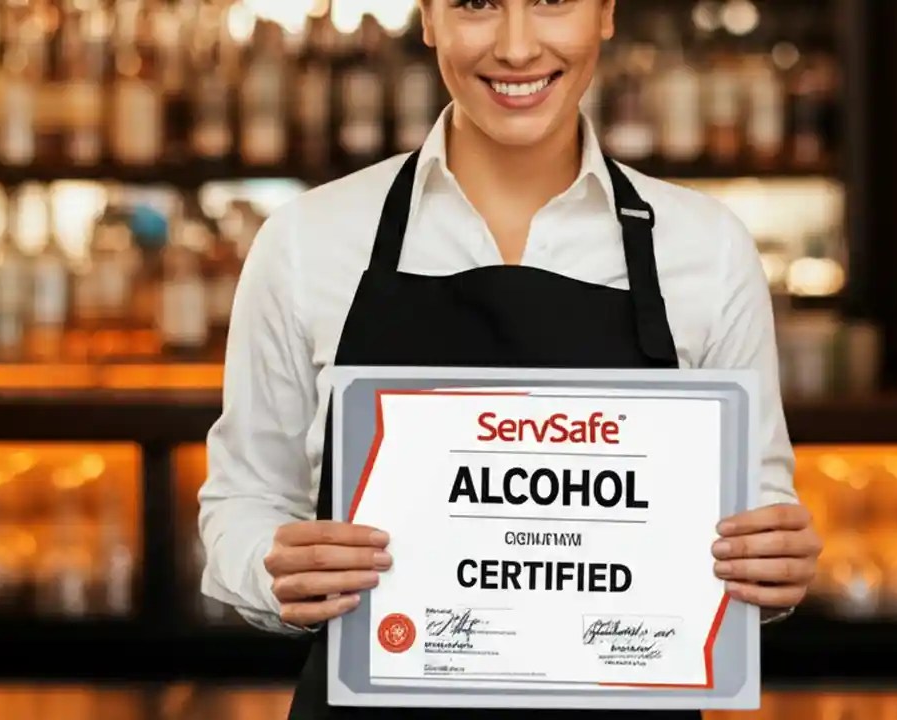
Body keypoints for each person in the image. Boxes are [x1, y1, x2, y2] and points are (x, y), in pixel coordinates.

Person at [199, 0, 823, 717]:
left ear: (605, 12)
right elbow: (242, 502)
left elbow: (758, 507)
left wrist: (771, 562)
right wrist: (276, 570)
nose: (518, 47)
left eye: (551, 1)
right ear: (428, 17)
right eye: (476, 4)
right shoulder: (307, 242)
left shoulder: (707, 249)